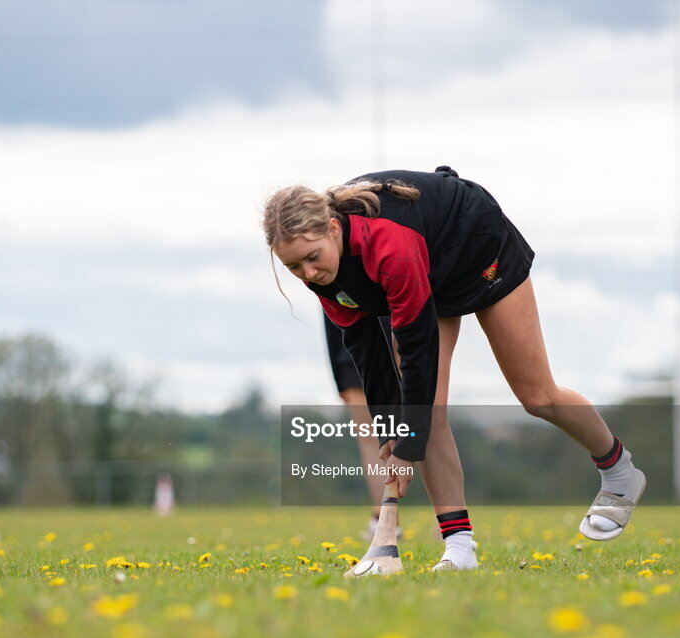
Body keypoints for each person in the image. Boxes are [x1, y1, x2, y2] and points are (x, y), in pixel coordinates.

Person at [263, 166, 646, 571]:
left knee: (537, 396)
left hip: (474, 243)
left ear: (332, 229)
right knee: (429, 410)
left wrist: (408, 447)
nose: (308, 274)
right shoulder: (320, 273)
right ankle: (459, 549)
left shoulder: (389, 244)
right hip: (427, 264)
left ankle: (620, 472)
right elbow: (367, 355)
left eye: (311, 258)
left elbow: (416, 353)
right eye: (293, 268)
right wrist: (390, 432)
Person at [322, 312, 399, 540]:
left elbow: (331, 319)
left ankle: (384, 519)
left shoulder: (323, 274)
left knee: (370, 442)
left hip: (357, 357)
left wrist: (339, 377)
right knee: (425, 428)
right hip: (401, 345)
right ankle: (447, 516)